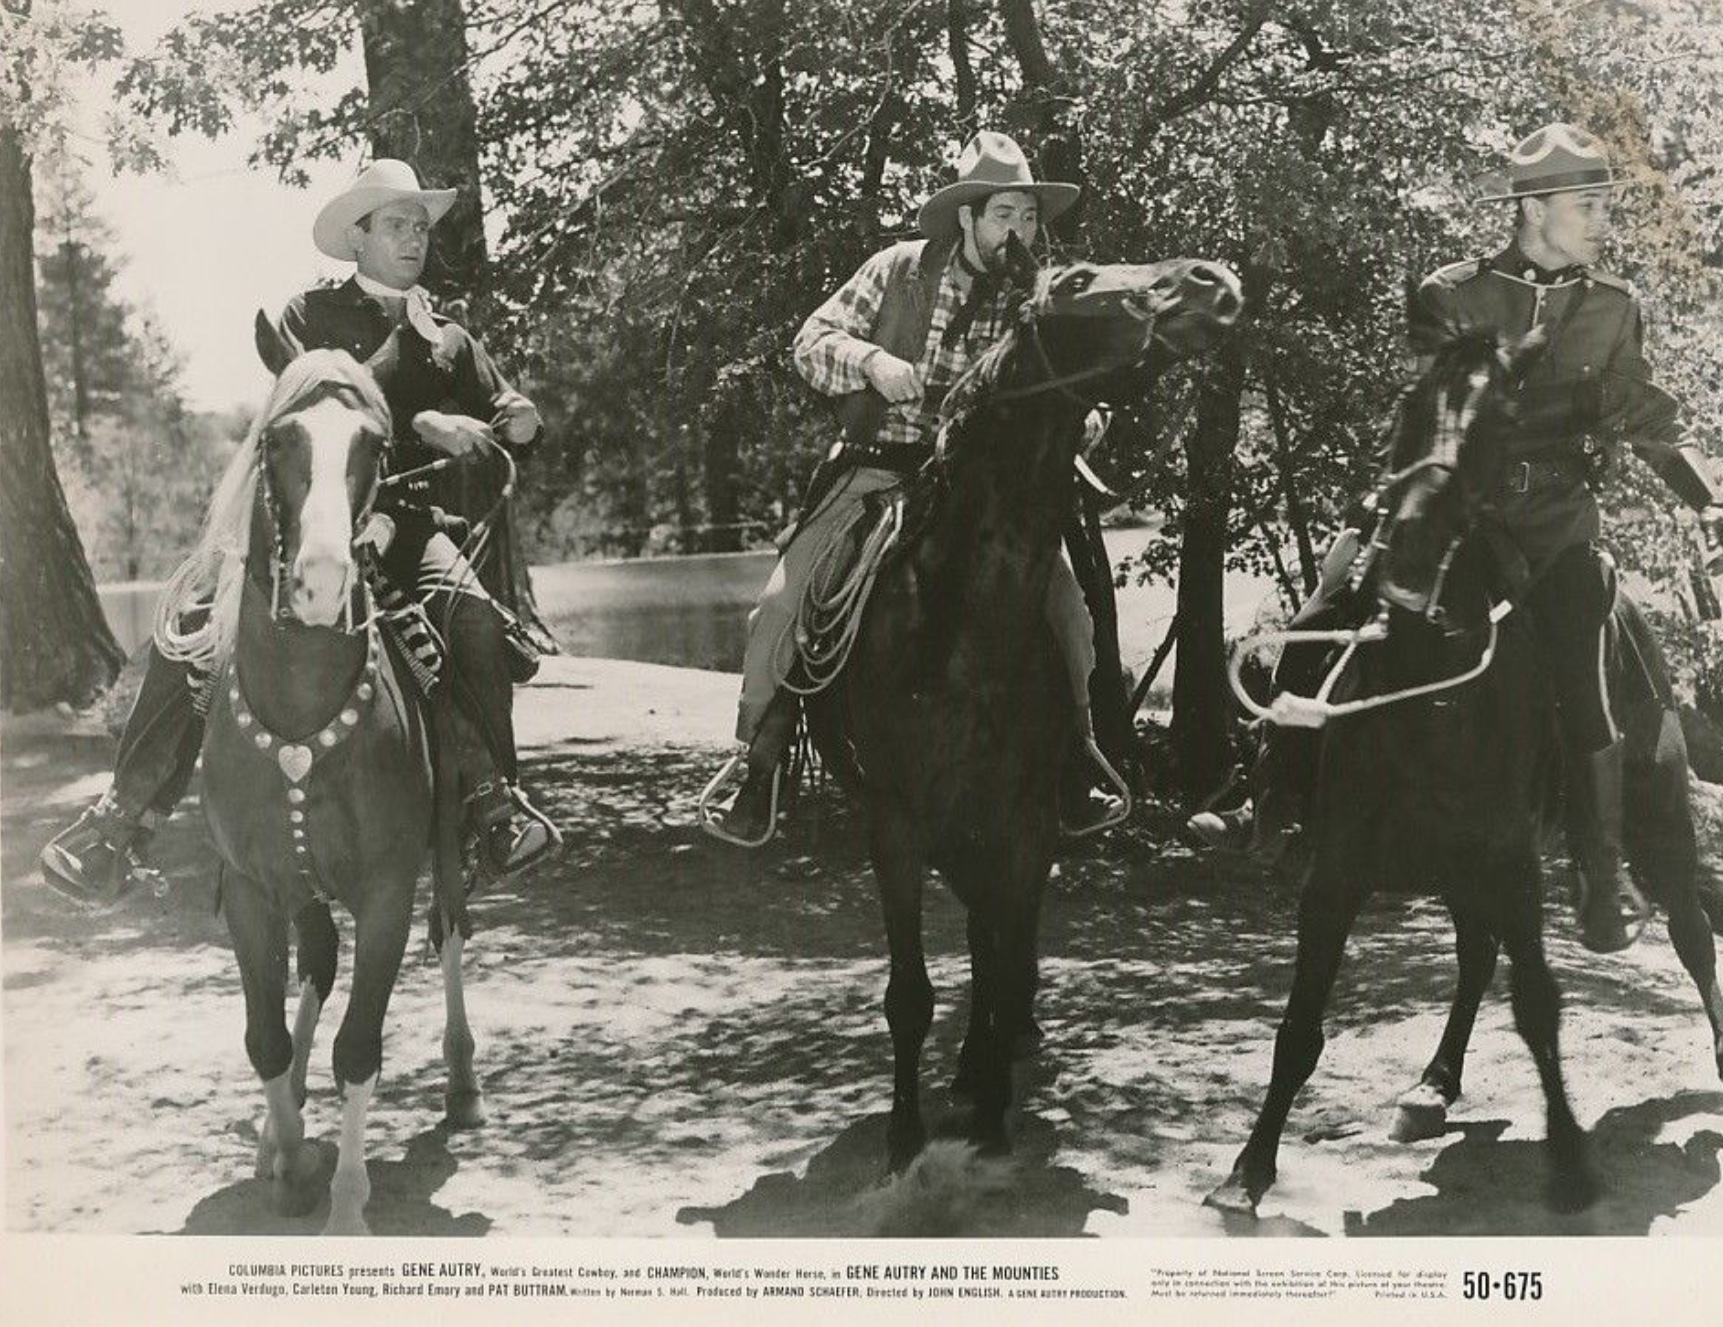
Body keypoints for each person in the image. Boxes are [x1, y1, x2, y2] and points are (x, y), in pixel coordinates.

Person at [1189, 123, 1723, 953]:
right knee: (1324, 605)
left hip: (1554, 534)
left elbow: (1651, 415)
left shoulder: (1614, 307)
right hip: (1456, 522)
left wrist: (1706, 500)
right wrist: (1376, 512)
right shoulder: (1451, 293)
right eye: (1587, 205)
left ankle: (1598, 870)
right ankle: (1272, 800)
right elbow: (1435, 416)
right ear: (1534, 208)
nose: (1600, 221)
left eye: (1602, 206)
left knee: (1584, 671)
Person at [41, 159, 561, 908]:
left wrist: (518, 418)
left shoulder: (451, 337)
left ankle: (493, 804)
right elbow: (328, 400)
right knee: (190, 626)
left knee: (473, 620)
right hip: (307, 521)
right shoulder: (309, 316)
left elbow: (508, 414)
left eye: (420, 225)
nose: (414, 237)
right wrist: (419, 413)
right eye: (395, 224)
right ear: (357, 239)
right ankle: (119, 823)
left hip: (409, 527)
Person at [707, 130, 1122, 845]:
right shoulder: (898, 268)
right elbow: (810, 340)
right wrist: (870, 361)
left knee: (1068, 610)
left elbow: (1074, 384)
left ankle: (1072, 762)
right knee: (779, 606)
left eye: (1027, 216)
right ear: (966, 216)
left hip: (983, 485)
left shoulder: (1037, 295)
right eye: (1003, 215)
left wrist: (1087, 421)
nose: (1017, 233)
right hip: (878, 465)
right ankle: (759, 761)